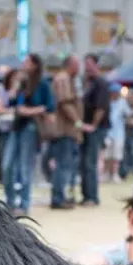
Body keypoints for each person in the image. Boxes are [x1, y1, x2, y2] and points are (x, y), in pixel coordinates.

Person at [2, 53, 53, 215]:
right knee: (7, 166)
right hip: (16, 126)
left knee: (25, 168)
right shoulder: (21, 82)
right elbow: (10, 102)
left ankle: (24, 204)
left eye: (27, 62)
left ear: (35, 65)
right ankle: (10, 202)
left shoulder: (42, 84)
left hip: (31, 127)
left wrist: (30, 111)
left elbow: (50, 106)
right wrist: (14, 87)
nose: (23, 65)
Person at [75, 53, 111, 206]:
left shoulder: (100, 83)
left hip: (95, 128)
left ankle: (92, 197)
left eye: (89, 63)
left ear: (96, 65)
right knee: (84, 162)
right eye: (85, 63)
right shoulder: (87, 83)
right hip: (85, 127)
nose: (87, 67)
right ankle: (86, 195)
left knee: (90, 162)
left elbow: (100, 107)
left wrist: (93, 125)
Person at [49, 55, 82, 209]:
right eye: (77, 64)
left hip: (67, 130)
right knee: (63, 165)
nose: (79, 68)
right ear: (70, 65)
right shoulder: (63, 79)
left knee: (64, 165)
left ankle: (60, 196)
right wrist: (78, 122)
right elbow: (64, 103)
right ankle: (58, 198)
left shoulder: (67, 79)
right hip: (64, 130)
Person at [0, 68, 17, 185]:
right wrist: (11, 110)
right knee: (3, 158)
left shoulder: (22, 92)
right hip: (3, 129)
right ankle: (3, 179)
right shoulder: (3, 91)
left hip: (16, 129)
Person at [105, 85, 129, 182]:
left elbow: (128, 115)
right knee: (107, 155)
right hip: (107, 132)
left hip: (119, 133)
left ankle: (114, 174)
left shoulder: (123, 103)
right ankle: (106, 174)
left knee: (116, 156)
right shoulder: (106, 102)